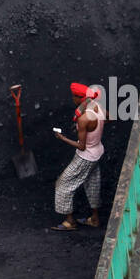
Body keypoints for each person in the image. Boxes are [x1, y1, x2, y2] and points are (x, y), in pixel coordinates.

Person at [51, 82, 107, 231]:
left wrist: (62, 138)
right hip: (98, 151)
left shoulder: (84, 119)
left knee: (62, 185)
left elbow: (82, 146)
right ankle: (94, 219)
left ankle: (70, 222)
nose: (72, 100)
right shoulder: (98, 107)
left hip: (85, 157)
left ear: (79, 98)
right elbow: (108, 117)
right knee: (92, 183)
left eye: (74, 97)